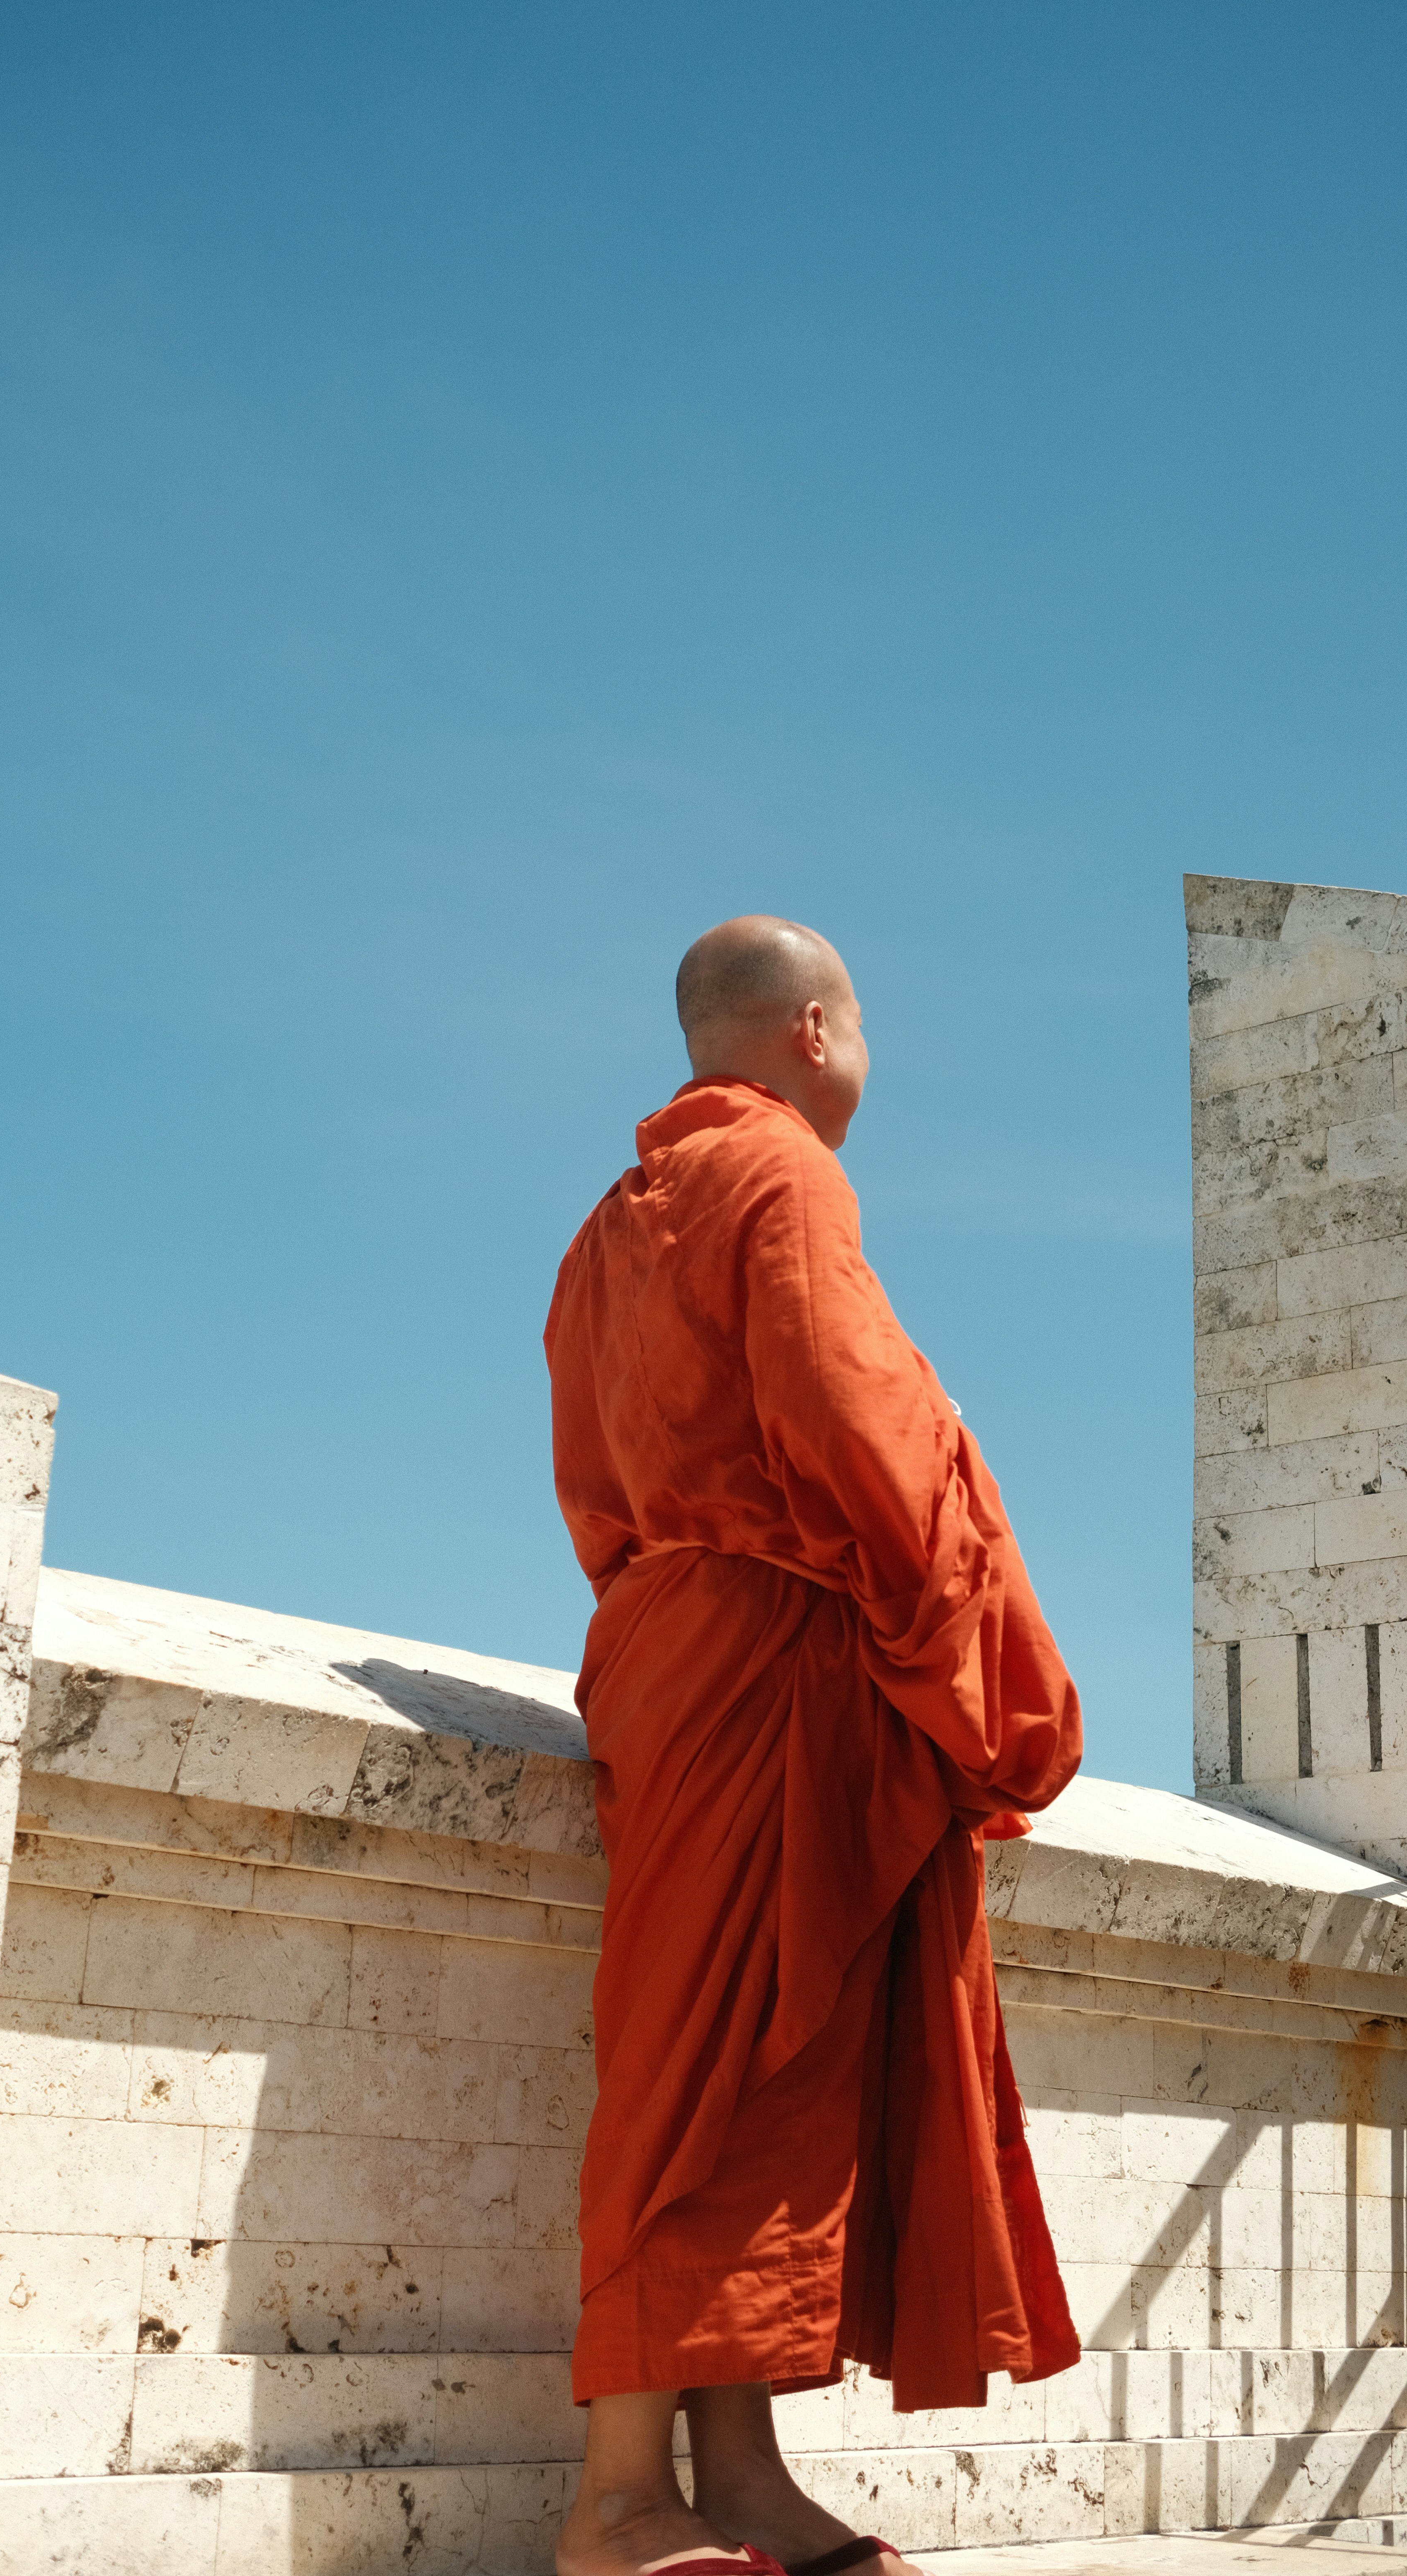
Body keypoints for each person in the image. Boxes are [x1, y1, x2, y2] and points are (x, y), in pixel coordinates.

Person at [544, 916, 1083, 2576]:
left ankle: (745, 2481)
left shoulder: (601, 1233)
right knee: (701, 2072)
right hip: (765, 1654)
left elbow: (595, 1465)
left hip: (668, 1642)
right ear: (810, 1030)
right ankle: (617, 2503)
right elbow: (857, 1429)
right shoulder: (781, 1178)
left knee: (764, 2071)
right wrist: (982, 1666)